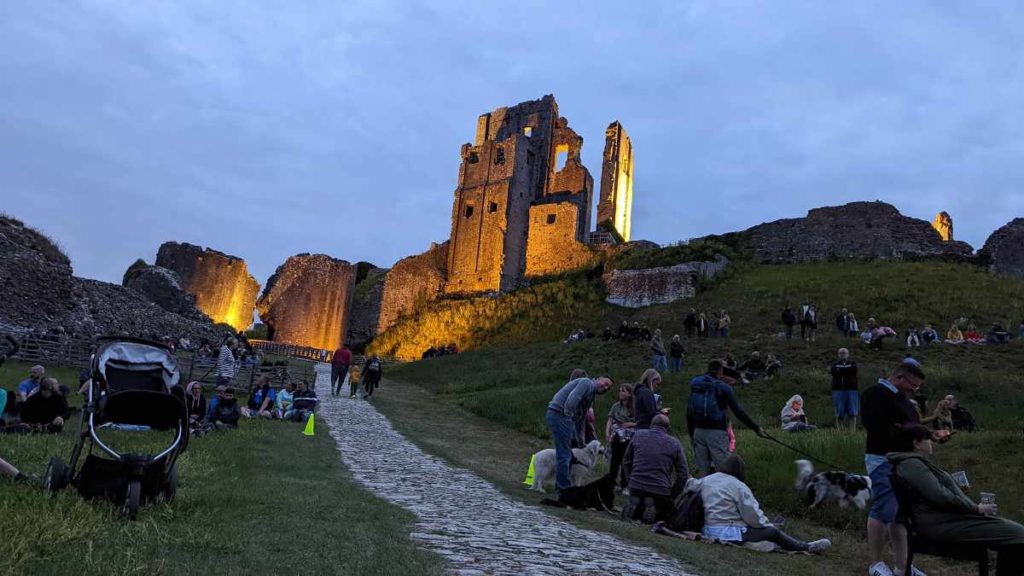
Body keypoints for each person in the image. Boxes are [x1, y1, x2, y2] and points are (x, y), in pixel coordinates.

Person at [889, 424, 1024, 576]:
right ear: (916, 443)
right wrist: (976, 509)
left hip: (946, 519)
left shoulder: (913, 463)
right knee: (1019, 535)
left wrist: (955, 488)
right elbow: (940, 496)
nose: (931, 442)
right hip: (940, 523)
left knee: (1014, 535)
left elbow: (933, 492)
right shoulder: (911, 465)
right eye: (927, 438)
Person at [861, 360, 950, 576]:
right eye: (913, 384)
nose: (915, 389)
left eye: (917, 386)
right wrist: (913, 436)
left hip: (905, 460)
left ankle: (903, 567)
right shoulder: (875, 393)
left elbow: (913, 425)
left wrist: (931, 435)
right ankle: (875, 564)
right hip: (883, 458)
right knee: (883, 507)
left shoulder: (905, 401)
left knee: (900, 513)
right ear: (899, 377)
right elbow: (878, 427)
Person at [689, 455, 831, 553]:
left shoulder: (707, 479)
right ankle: (805, 547)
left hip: (707, 529)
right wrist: (768, 526)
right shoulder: (738, 486)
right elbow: (753, 517)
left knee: (759, 530)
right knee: (772, 532)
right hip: (728, 533)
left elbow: (690, 485)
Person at [686, 360, 764, 475]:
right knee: (726, 470)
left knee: (702, 472)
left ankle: (702, 492)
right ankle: (726, 491)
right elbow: (738, 412)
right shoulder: (723, 387)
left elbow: (689, 412)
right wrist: (756, 428)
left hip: (698, 431)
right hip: (717, 432)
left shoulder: (696, 384)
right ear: (720, 371)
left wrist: (692, 434)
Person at [546, 374, 614, 499]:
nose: (605, 388)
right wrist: (568, 417)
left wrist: (581, 441)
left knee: (565, 454)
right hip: (559, 415)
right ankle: (563, 491)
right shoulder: (586, 383)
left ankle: (563, 488)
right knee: (564, 455)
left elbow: (581, 420)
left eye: (608, 388)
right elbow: (573, 398)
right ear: (598, 378)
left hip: (561, 416)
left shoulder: (591, 395)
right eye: (605, 383)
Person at [621, 414, 689, 523]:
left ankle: (636, 502)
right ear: (667, 428)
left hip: (636, 484)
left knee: (638, 495)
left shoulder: (638, 435)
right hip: (660, 488)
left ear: (651, 425)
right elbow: (683, 473)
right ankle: (651, 504)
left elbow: (626, 461)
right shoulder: (675, 443)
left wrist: (630, 480)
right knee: (662, 505)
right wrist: (672, 494)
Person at [606, 384, 636, 490]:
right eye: (620, 390)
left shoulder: (634, 407)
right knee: (615, 459)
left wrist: (630, 424)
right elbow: (610, 419)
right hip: (616, 435)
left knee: (626, 460)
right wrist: (607, 432)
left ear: (629, 393)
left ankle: (625, 484)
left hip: (628, 436)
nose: (620, 393)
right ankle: (611, 482)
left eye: (623, 391)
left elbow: (640, 422)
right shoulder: (616, 406)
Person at [830, 348, 859, 429]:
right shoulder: (835, 364)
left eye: (844, 353)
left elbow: (853, 370)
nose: (842, 354)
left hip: (851, 390)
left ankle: (852, 431)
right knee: (839, 412)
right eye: (840, 353)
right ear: (838, 354)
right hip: (838, 390)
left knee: (852, 411)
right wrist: (845, 370)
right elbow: (834, 372)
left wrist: (841, 370)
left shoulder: (853, 363)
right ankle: (840, 430)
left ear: (848, 354)